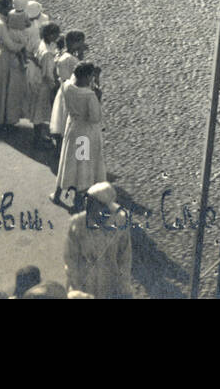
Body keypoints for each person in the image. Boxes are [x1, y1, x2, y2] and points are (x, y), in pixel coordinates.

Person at [64, 182, 132, 299]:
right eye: (88, 203)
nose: (88, 207)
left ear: (105, 206)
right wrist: (76, 285)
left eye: (93, 204)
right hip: (83, 284)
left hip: (110, 282)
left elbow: (125, 256)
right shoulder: (78, 224)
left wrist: (123, 284)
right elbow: (70, 257)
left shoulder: (120, 221)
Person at [54, 61, 105, 208]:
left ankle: (57, 194)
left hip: (72, 128)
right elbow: (95, 117)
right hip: (85, 134)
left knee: (67, 161)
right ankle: (77, 201)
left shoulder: (67, 86)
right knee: (82, 166)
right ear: (87, 76)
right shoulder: (89, 95)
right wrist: (98, 98)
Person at [0, 0, 28, 129]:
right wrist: (23, 43)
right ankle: (2, 118)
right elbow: (11, 45)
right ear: (1, 8)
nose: (10, 9)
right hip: (5, 57)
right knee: (4, 87)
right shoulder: (0, 25)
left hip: (6, 55)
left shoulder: (4, 20)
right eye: (8, 7)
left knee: (8, 87)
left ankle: (5, 117)